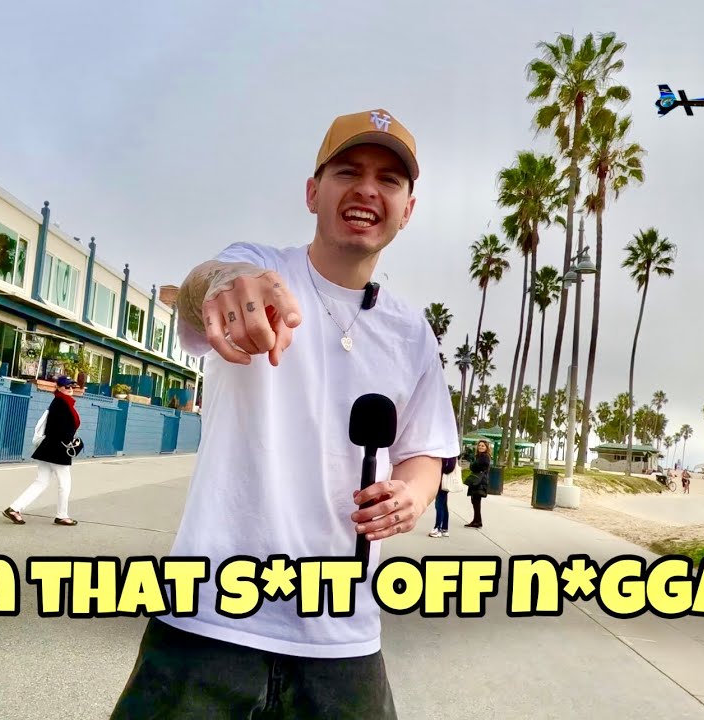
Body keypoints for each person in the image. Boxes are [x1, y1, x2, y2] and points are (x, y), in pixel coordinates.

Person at [110, 109, 458, 719]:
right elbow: (208, 284)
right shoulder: (260, 269)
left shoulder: (411, 333)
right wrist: (227, 285)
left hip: (342, 636)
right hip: (208, 618)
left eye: (389, 180)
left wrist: (413, 495)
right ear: (312, 191)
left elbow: (423, 451)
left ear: (407, 208)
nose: (367, 189)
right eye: (348, 170)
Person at [2, 376, 83, 526]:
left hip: (48, 448)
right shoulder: (61, 403)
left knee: (41, 481)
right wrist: (71, 442)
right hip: (58, 450)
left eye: (72, 386)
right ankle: (62, 515)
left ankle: (14, 508)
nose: (70, 389)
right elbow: (58, 429)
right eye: (66, 386)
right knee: (64, 483)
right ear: (58, 388)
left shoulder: (62, 403)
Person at [429, 456, 458, 538]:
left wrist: (438, 465)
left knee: (439, 505)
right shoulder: (446, 452)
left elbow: (449, 468)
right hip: (441, 481)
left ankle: (438, 528)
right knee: (443, 505)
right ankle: (444, 528)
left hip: (443, 482)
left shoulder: (449, 453)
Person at [465, 440, 491, 528]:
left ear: (486, 447)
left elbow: (474, 466)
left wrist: (473, 465)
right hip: (477, 481)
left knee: (476, 502)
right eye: (479, 445)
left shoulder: (484, 457)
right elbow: (474, 466)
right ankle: (476, 520)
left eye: (483, 446)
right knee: (475, 502)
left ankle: (477, 521)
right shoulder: (479, 456)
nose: (480, 447)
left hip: (479, 482)